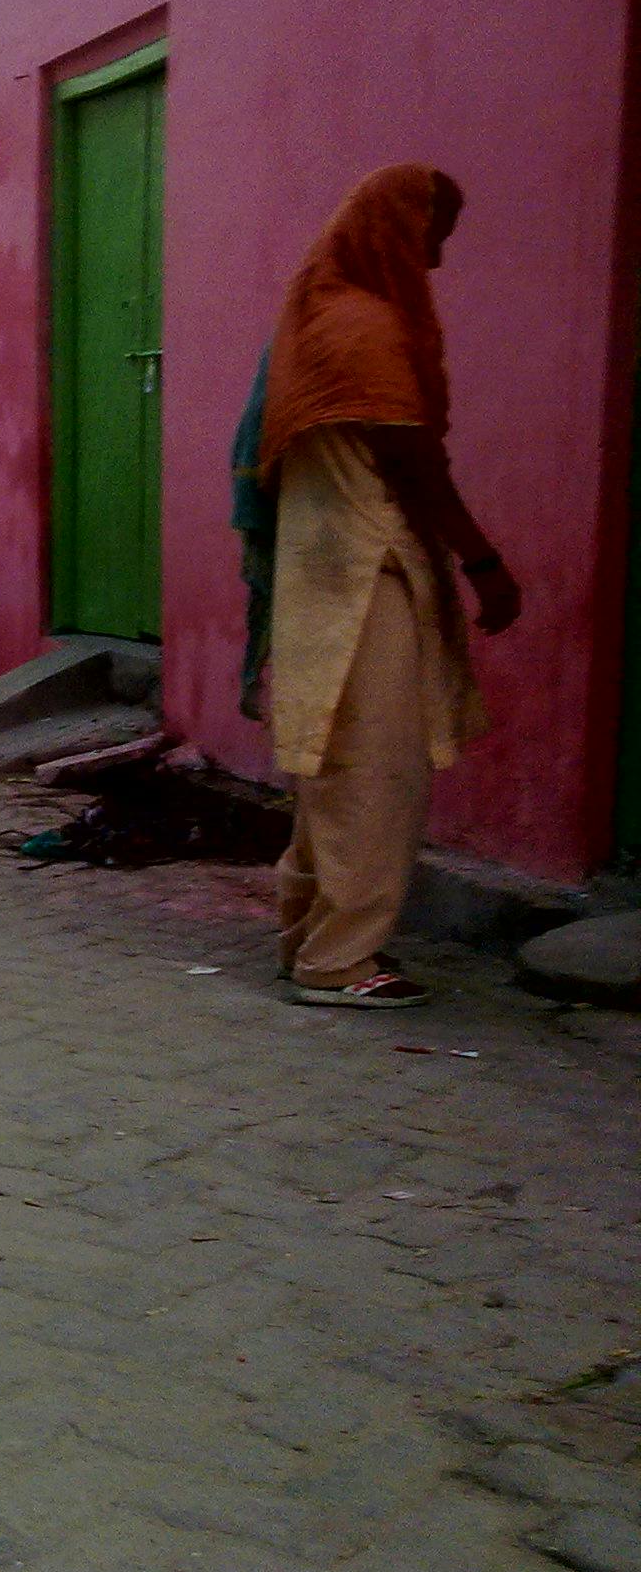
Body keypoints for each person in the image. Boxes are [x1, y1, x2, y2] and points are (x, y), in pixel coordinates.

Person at [238, 164, 517, 1009]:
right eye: (432, 237)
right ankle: (340, 962)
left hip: (324, 571)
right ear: (393, 230)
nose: (435, 259)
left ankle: (308, 938)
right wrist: (483, 562)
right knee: (377, 772)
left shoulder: (314, 317)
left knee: (335, 765)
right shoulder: (364, 326)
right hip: (366, 572)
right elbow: (415, 465)